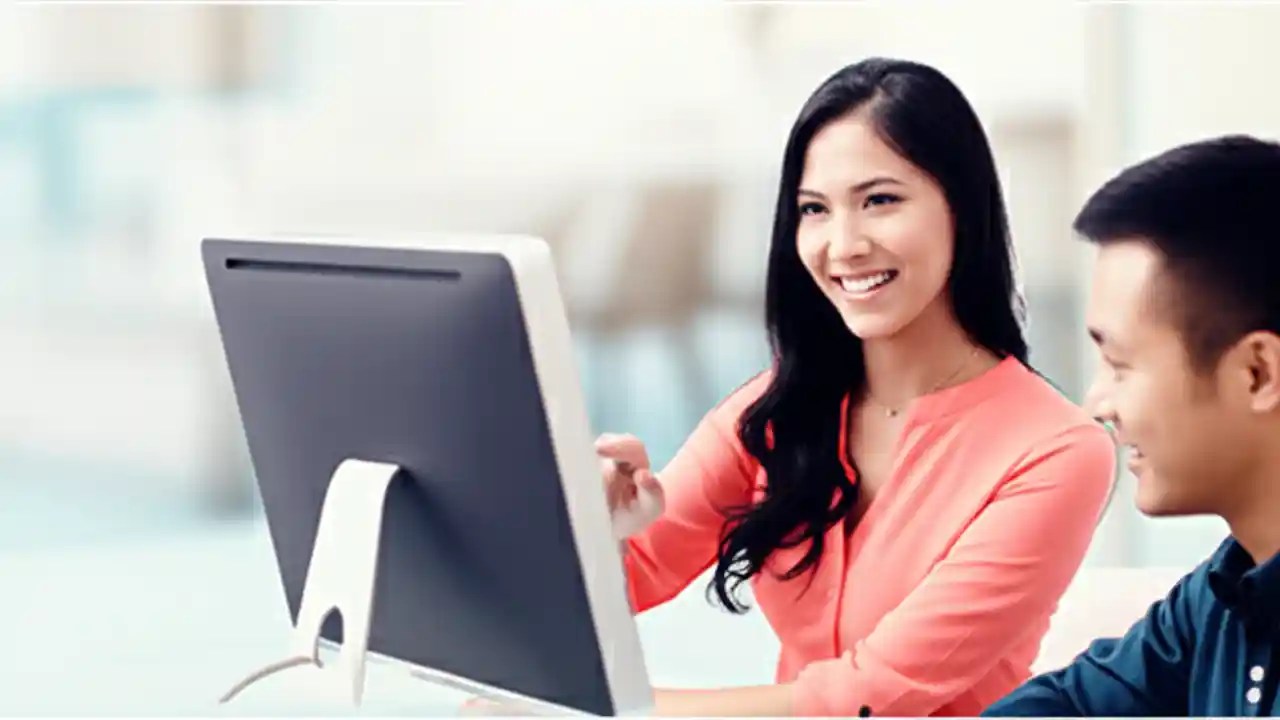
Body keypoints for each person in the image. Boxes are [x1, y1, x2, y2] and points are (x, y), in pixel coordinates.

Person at [591, 57, 1117, 717]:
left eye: (880, 201)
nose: (843, 245)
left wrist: (602, 713)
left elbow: (872, 699)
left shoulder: (1056, 451)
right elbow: (625, 581)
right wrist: (599, 534)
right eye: (815, 209)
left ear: (962, 205)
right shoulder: (776, 408)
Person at [982, 134, 1280, 717]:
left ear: (1257, 372)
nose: (1097, 402)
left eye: (1119, 365)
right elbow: (1068, 705)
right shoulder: (1223, 597)